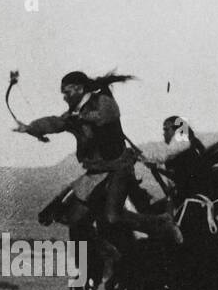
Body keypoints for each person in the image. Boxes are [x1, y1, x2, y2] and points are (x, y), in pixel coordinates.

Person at [15, 71, 182, 246]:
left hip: (119, 169)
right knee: (75, 218)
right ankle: (108, 256)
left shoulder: (103, 100)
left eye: (67, 92)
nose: (64, 97)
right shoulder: (75, 113)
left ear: (79, 88)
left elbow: (104, 116)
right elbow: (55, 122)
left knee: (112, 217)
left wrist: (78, 118)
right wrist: (31, 128)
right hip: (95, 173)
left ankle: (163, 224)